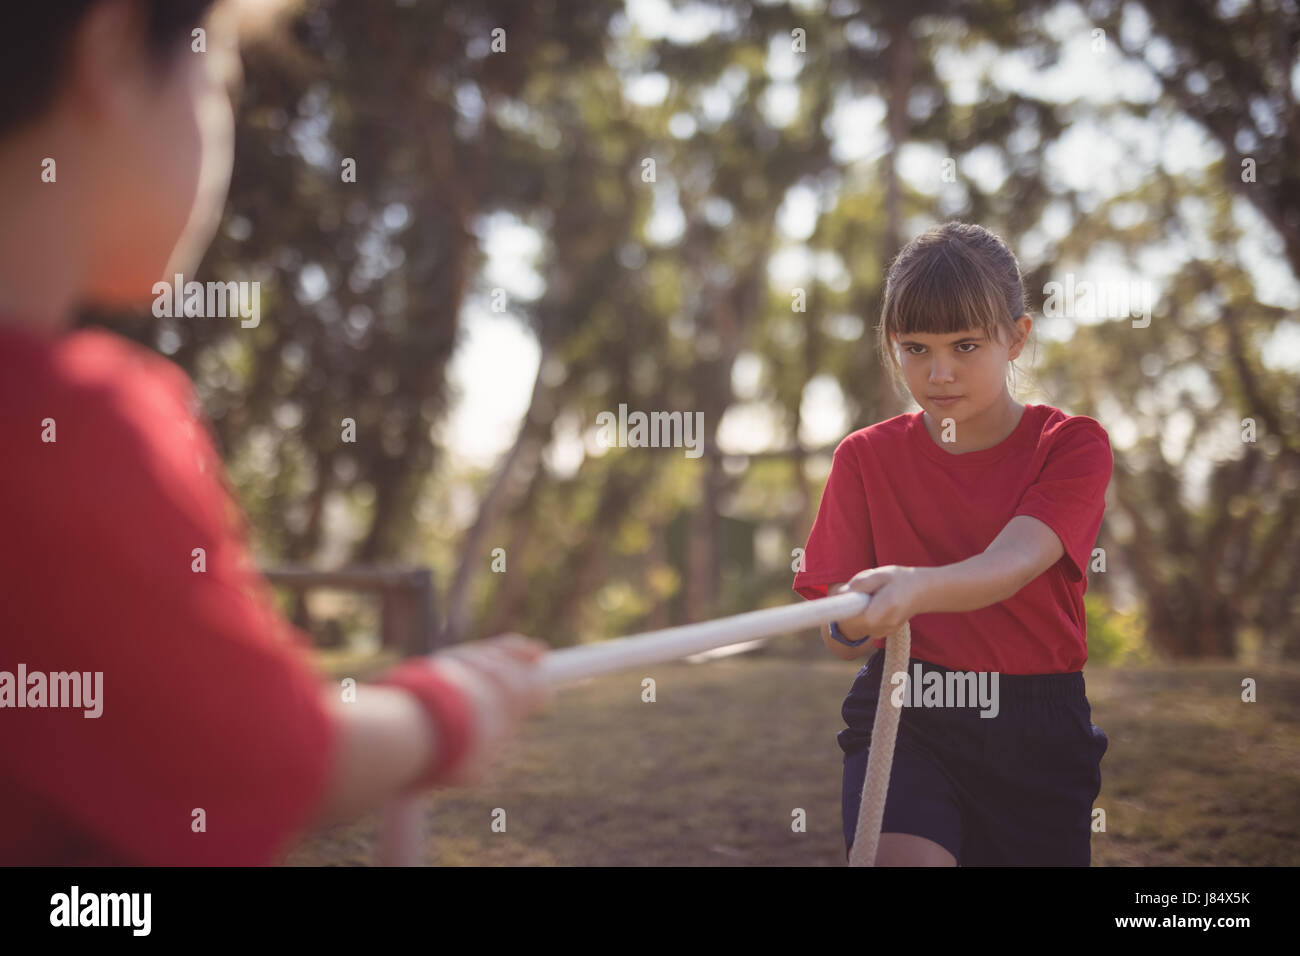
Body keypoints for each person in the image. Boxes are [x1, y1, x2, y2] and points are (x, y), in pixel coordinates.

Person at [0, 0, 550, 865]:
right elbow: (272, 756)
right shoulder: (67, 432)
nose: (224, 124)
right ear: (109, 52)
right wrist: (449, 707)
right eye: (218, 76)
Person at [793, 221, 1112, 866]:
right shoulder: (863, 458)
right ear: (891, 344)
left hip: (1039, 730)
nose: (939, 373)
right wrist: (853, 618)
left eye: (965, 345)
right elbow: (838, 631)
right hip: (909, 713)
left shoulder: (1072, 446)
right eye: (915, 347)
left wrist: (915, 587)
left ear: (1017, 337)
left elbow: (1014, 562)